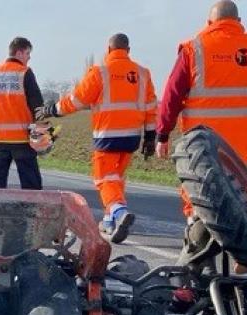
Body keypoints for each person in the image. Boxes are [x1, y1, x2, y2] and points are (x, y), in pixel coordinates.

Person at [154, 0, 247, 219]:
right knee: (236, 192)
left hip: (200, 140)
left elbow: (172, 93)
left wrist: (163, 134)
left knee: (197, 189)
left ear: (209, 22)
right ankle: (234, 245)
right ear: (238, 22)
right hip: (238, 143)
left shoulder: (194, 49)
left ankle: (196, 232)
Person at [36, 33, 157, 244]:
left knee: (104, 179)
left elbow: (77, 100)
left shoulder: (100, 72)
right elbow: (151, 108)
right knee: (116, 178)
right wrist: (150, 137)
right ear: (128, 50)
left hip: (108, 136)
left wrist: (52, 110)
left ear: (109, 50)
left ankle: (119, 212)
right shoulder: (143, 73)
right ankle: (109, 220)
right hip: (132, 138)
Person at [0, 37, 45, 190]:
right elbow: (37, 105)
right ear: (19, 53)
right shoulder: (24, 73)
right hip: (21, 138)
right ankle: (31, 210)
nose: (29, 57)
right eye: (28, 53)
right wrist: (41, 133)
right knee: (30, 182)